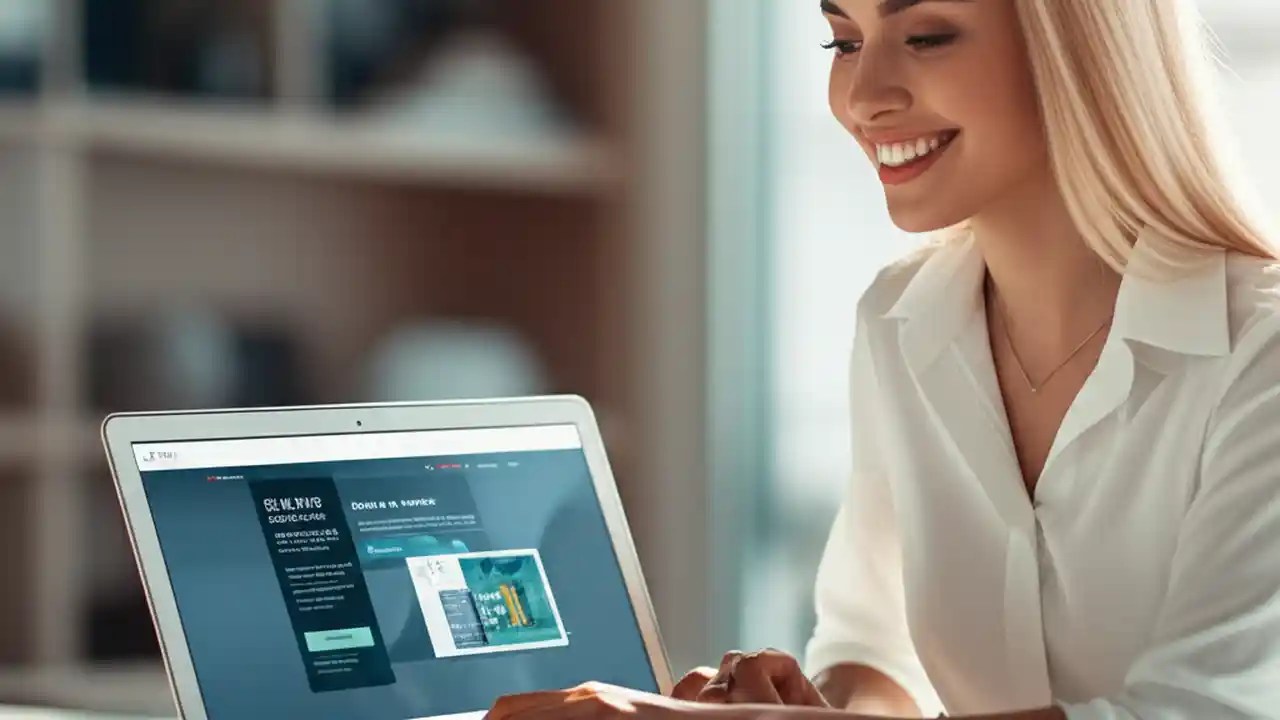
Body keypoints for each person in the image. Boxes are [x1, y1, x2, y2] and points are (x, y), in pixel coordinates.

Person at [486, 1, 1280, 718]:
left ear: (1078, 51)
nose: (864, 98)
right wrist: (794, 711)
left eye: (926, 37)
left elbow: (1207, 709)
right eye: (844, 41)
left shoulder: (1260, 350)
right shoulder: (904, 321)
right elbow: (874, 655)